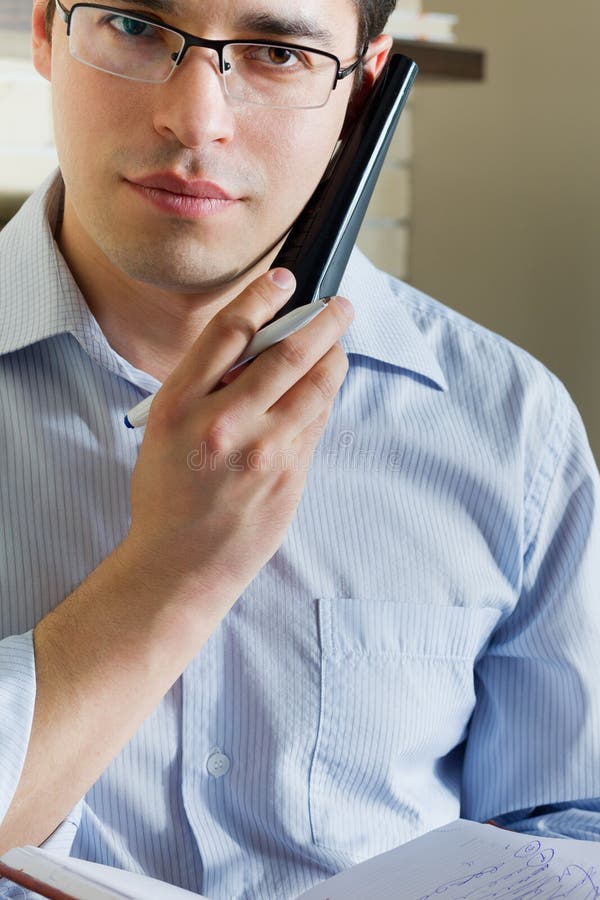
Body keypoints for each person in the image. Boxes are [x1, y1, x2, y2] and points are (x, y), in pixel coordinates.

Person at [0, 0, 599, 896]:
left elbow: (566, 830)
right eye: (134, 27)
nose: (194, 118)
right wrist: (175, 569)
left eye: (278, 51)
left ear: (362, 91)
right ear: (47, 31)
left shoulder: (514, 428)